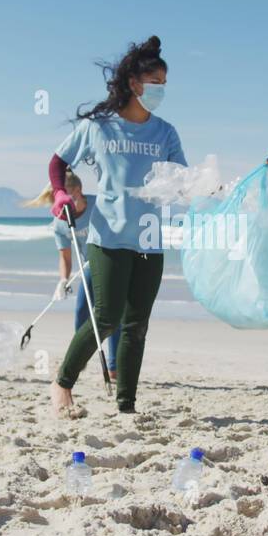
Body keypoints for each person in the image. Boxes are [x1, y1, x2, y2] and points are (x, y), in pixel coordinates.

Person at [47, 35, 186, 417]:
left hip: (149, 238)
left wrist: (197, 189)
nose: (160, 90)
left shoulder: (166, 132)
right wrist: (60, 193)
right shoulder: (100, 128)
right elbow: (58, 163)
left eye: (164, 84)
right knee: (106, 317)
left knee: (137, 325)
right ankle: (62, 384)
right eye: (155, 82)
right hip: (108, 235)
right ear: (133, 84)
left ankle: (126, 405)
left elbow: (181, 180)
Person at [22, 168, 118, 380]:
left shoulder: (99, 205)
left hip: (112, 262)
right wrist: (63, 280)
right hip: (89, 267)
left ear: (78, 191)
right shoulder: (60, 223)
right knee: (82, 313)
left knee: (111, 316)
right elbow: (65, 257)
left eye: (67, 195)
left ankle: (114, 366)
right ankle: (78, 360)